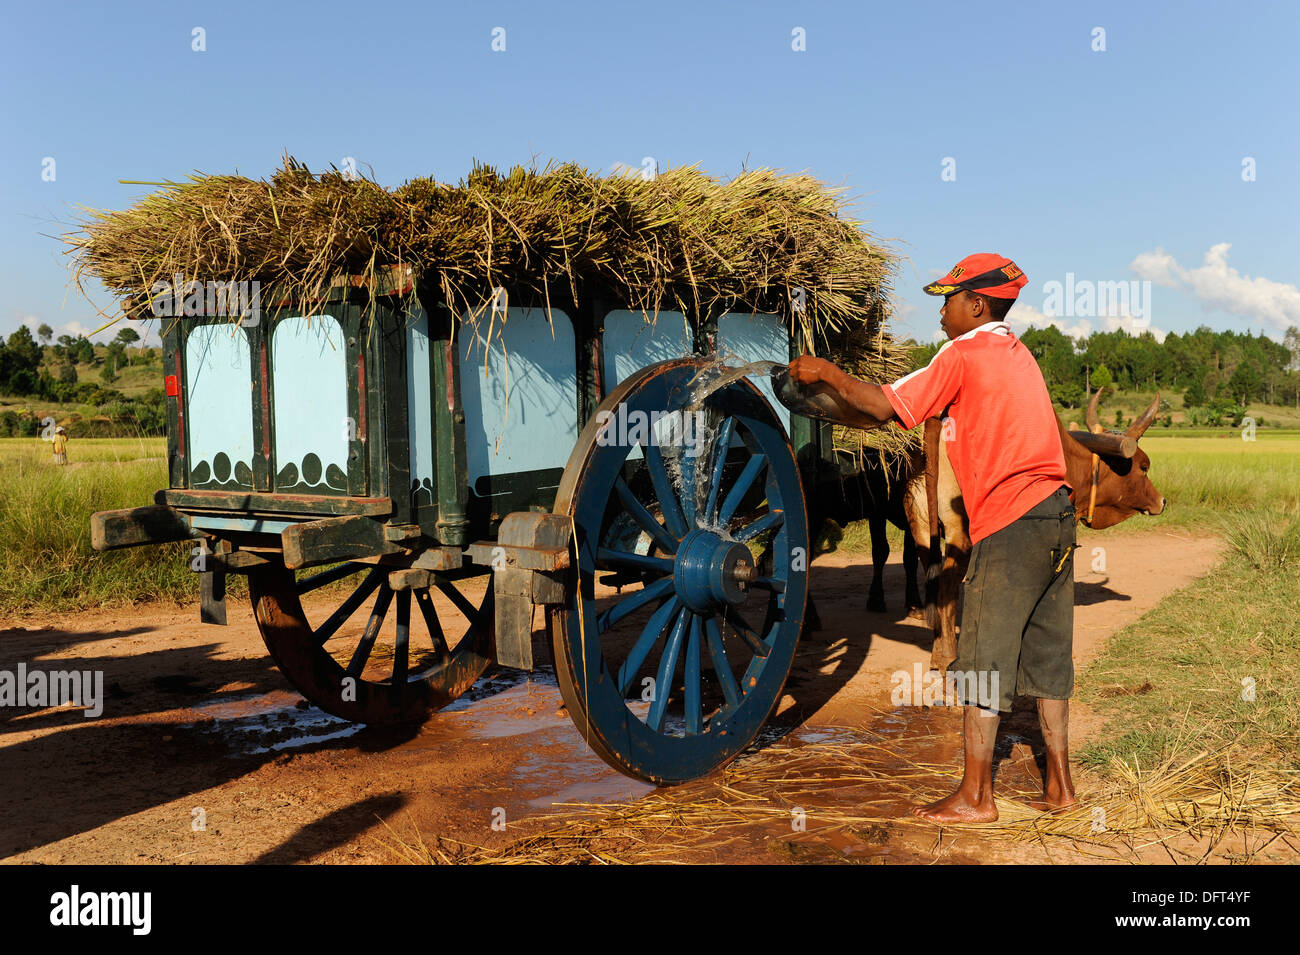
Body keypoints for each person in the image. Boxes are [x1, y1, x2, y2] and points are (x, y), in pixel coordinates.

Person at [787, 252, 1077, 822]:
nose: (941, 312)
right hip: (1057, 521)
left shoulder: (962, 353)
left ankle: (975, 797)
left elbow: (886, 404)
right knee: (1048, 659)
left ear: (977, 305)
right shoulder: (1021, 356)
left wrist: (827, 373)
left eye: (947, 301)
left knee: (982, 660)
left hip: (1011, 525)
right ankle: (1061, 790)